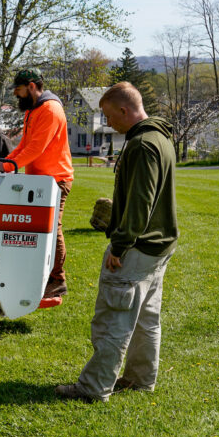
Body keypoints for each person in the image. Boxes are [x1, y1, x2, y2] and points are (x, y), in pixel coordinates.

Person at [56, 82, 178, 403]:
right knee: (146, 318)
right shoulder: (161, 138)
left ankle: (93, 387)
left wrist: (120, 245)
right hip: (159, 247)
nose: (108, 124)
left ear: (125, 110)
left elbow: (141, 204)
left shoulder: (142, 145)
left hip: (137, 248)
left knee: (114, 318)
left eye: (110, 117)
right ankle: (140, 379)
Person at [0, 68, 73, 299]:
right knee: (33, 229)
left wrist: (6, 167)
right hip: (39, 181)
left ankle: (58, 279)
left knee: (52, 228)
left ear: (32, 86)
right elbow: (24, 145)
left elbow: (37, 149)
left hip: (56, 179)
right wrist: (0, 162)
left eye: (19, 89)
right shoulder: (33, 111)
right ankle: (37, 274)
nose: (16, 94)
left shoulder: (50, 110)